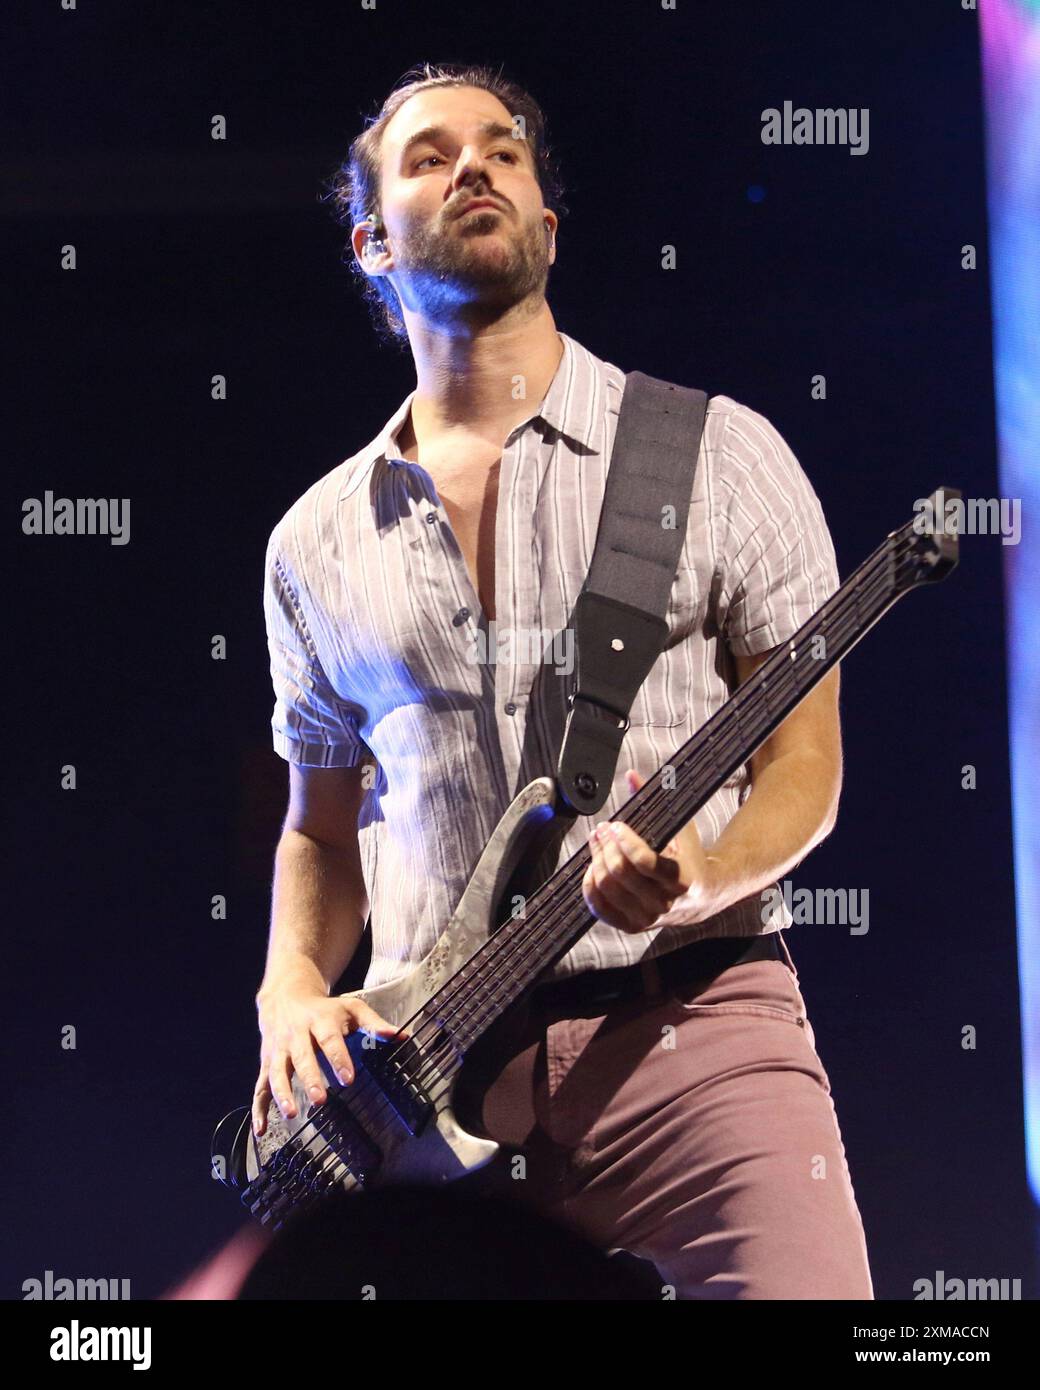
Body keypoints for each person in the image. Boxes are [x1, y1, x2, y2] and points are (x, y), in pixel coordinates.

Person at [251, 61, 873, 1299]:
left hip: (698, 1038)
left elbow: (802, 768)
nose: (473, 165)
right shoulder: (312, 541)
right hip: (433, 1098)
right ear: (372, 242)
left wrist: (694, 875)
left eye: (504, 150)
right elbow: (320, 830)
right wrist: (288, 989)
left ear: (546, 220)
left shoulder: (717, 453)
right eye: (429, 156)